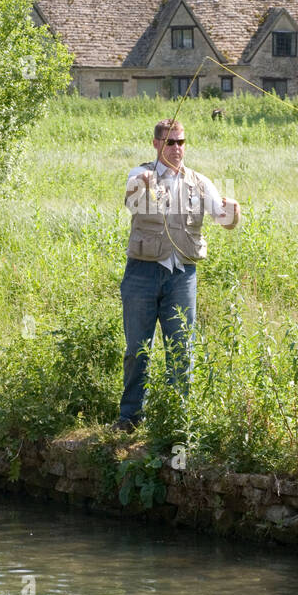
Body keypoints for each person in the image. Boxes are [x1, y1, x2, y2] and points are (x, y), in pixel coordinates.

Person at [113, 118, 240, 431]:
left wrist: (233, 212)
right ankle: (130, 418)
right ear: (157, 144)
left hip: (182, 275)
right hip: (142, 272)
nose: (177, 148)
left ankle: (178, 421)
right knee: (137, 350)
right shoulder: (139, 173)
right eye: (170, 142)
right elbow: (132, 199)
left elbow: (224, 219)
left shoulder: (200, 182)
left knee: (182, 348)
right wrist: (144, 183)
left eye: (181, 142)